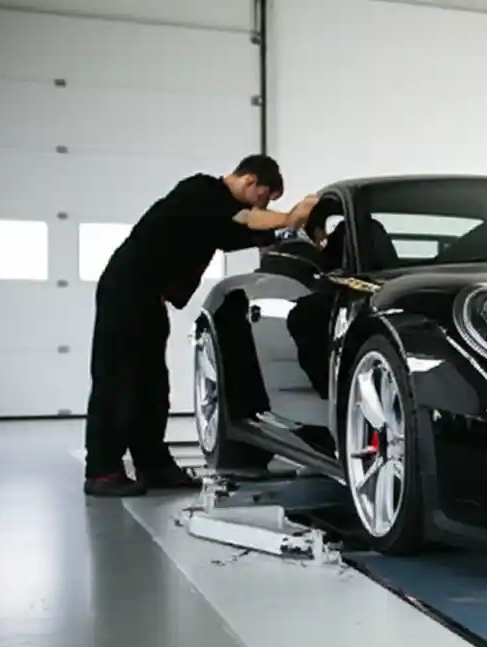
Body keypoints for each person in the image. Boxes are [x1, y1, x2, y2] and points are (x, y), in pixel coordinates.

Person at [82, 155, 319, 497]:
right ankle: (102, 471)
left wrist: (294, 232)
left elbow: (245, 233)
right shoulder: (200, 190)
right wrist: (289, 217)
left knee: (152, 385)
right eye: (264, 197)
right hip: (125, 290)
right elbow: (247, 218)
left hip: (148, 296)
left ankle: (153, 464)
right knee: (118, 379)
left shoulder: (216, 215)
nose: (263, 205)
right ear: (250, 181)